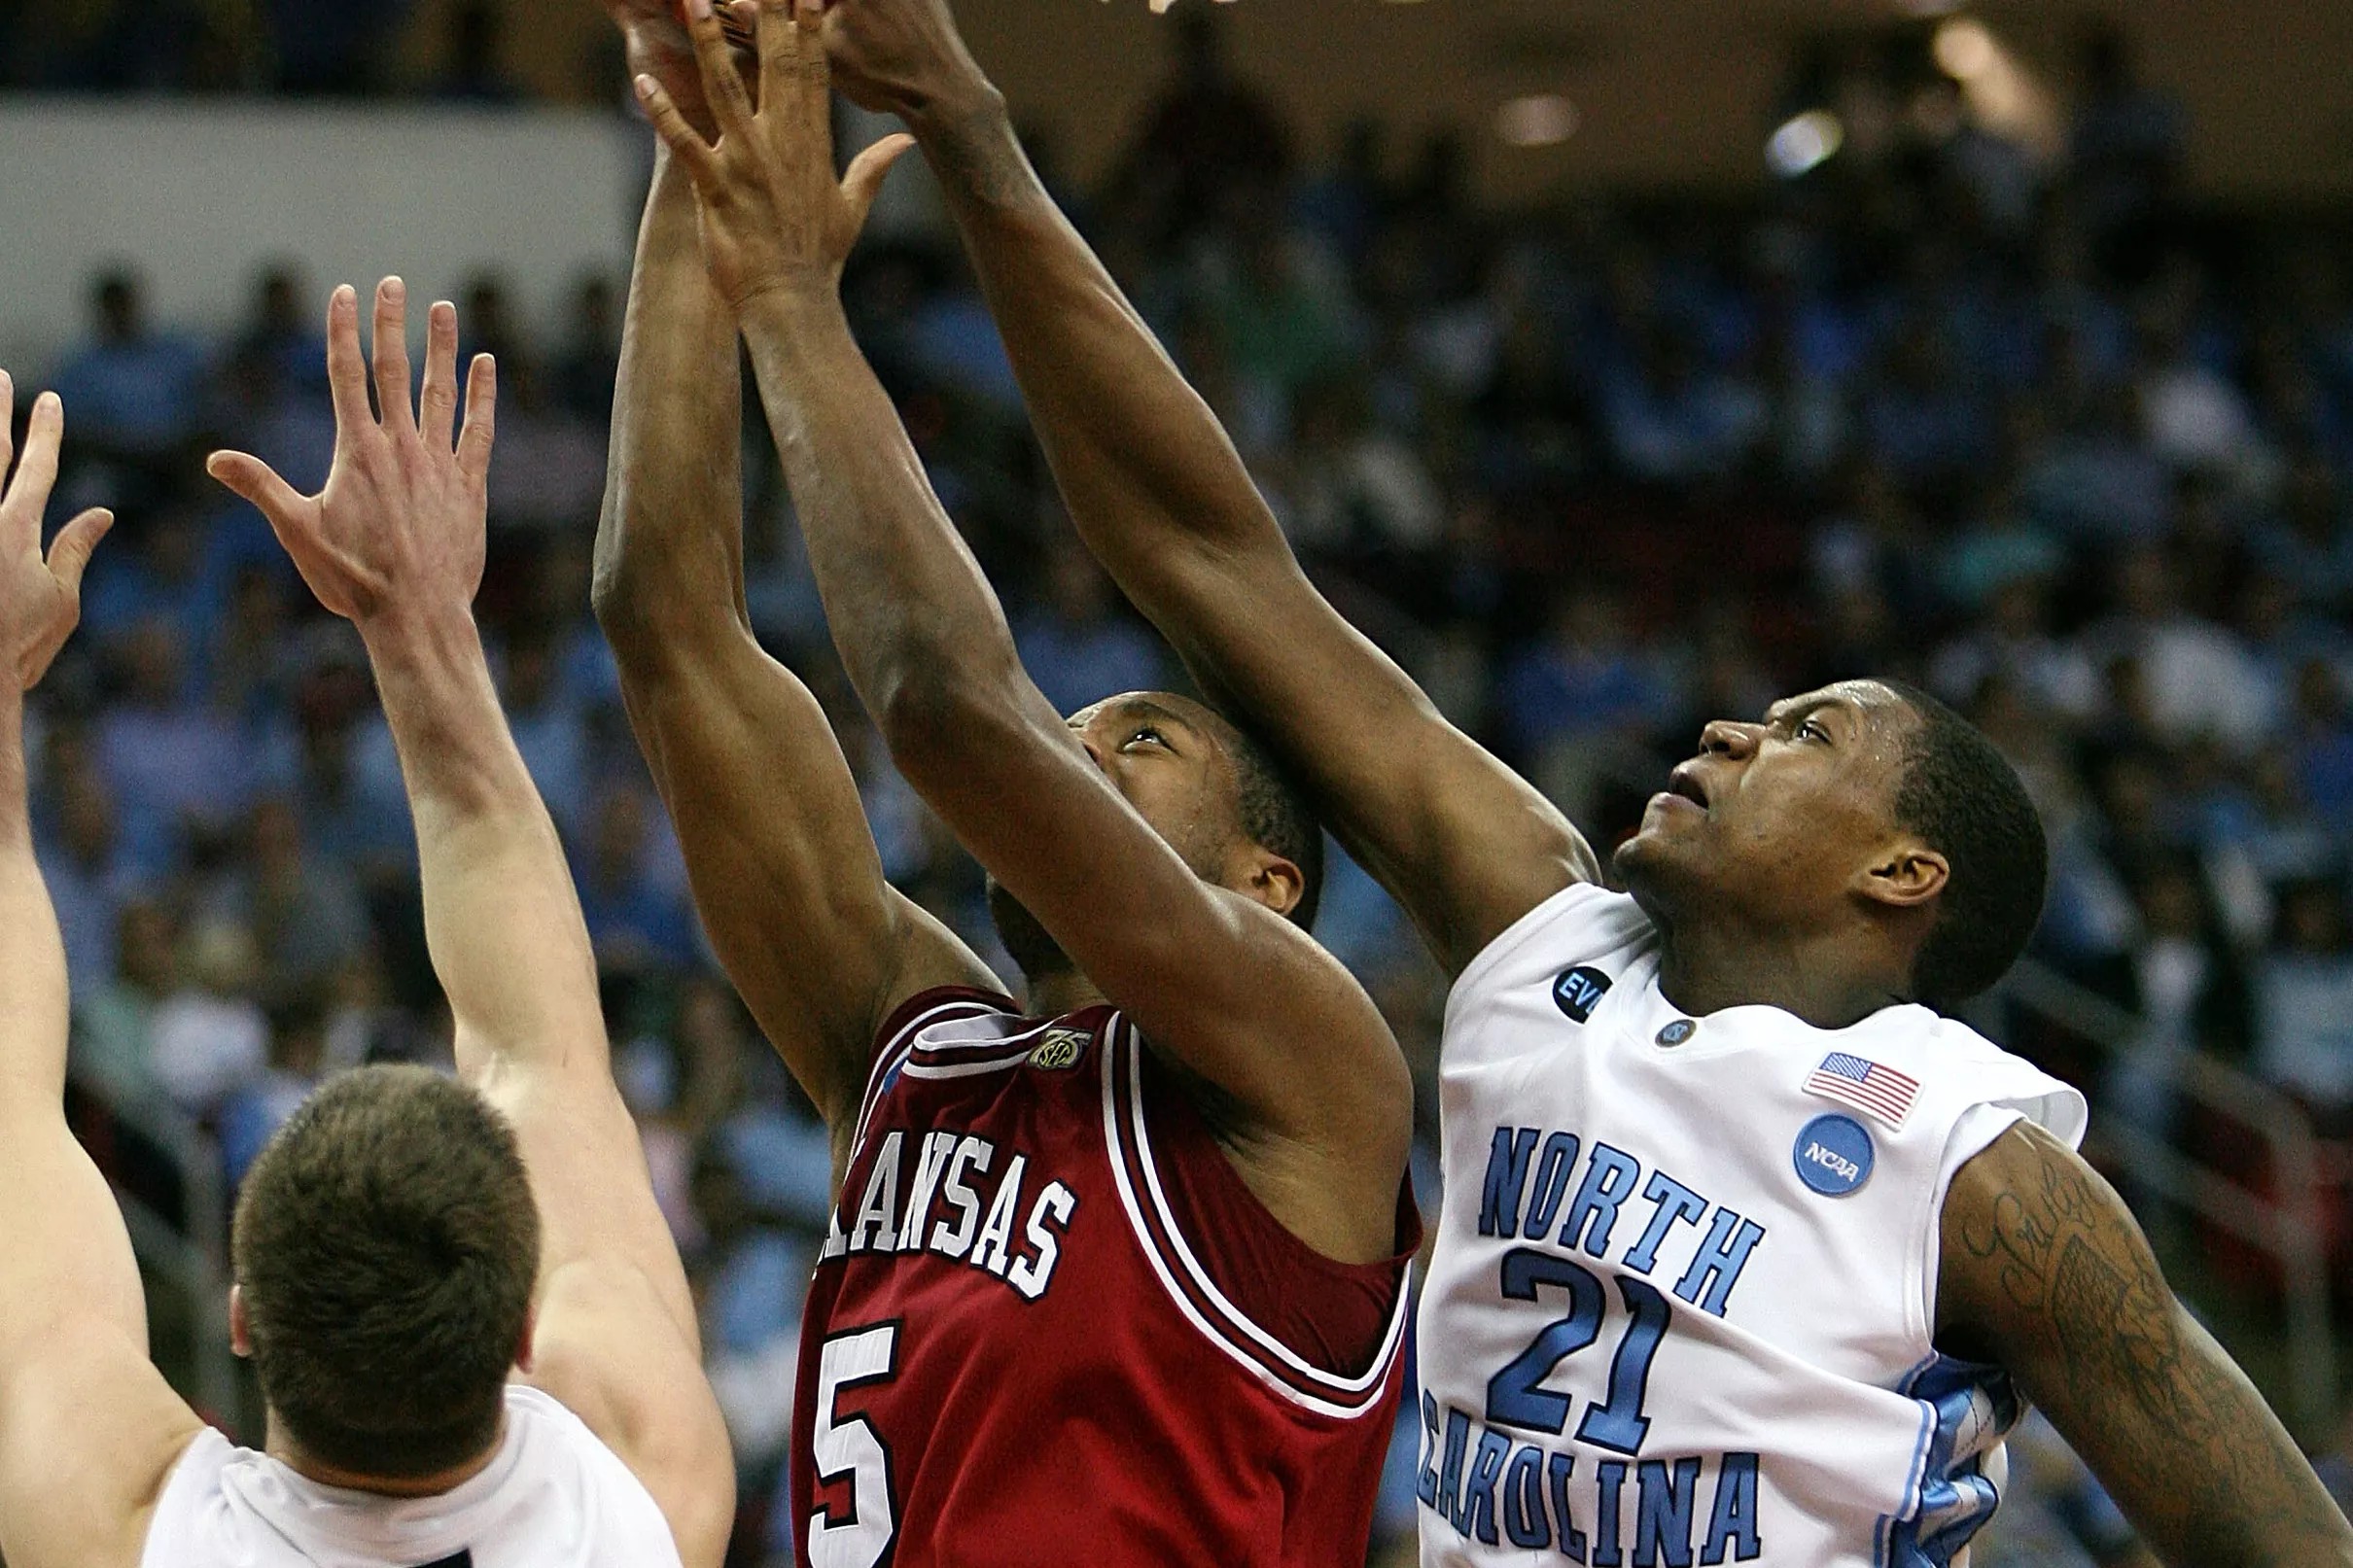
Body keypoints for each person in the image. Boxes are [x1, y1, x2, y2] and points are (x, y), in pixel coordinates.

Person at [782, 0, 2353, 1561]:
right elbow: (1202, 552)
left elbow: (2276, 1535)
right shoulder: (1547, 934)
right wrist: (974, 131)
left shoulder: (1976, 1157)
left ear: (1901, 871)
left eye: (1808, 733)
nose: (1735, 731)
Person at [596, 3, 1418, 1563]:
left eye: (1142, 742)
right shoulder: (907, 1038)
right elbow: (666, 623)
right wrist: (705, 106)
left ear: (1268, 884)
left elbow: (951, 709)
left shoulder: (1322, 1072)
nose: (1082, 747)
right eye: (1084, 726)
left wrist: (786, 292)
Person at [0, 282, 734, 1568]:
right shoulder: (643, 1487)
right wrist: (425, 623)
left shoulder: (120, 1525)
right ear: (522, 1336)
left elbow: (9, 1102)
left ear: (240, 1322)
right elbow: (544, 1046)